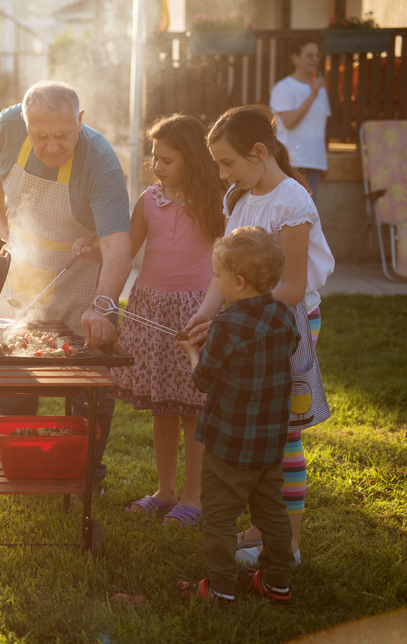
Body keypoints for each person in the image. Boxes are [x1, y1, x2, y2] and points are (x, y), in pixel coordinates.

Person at [188, 104, 334, 567]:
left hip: (287, 325)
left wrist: (234, 321)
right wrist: (204, 315)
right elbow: (225, 272)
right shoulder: (243, 199)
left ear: (258, 151)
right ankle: (260, 528)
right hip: (252, 321)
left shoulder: (292, 202)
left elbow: (290, 288)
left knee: (283, 434)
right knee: (254, 425)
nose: (223, 173)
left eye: (228, 162)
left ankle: (287, 543)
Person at [0, 79, 132, 488]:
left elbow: (119, 243)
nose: (50, 146)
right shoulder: (7, 126)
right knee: (16, 373)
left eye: (62, 136)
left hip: (80, 277)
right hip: (24, 270)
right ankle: (8, 462)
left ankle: (85, 472)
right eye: (39, 135)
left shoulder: (100, 161)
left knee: (87, 381)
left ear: (79, 121)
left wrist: (103, 306)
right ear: (25, 123)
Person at [177, 226, 300, 604]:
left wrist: (191, 351)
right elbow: (291, 345)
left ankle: (219, 588)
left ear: (240, 282)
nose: (215, 281)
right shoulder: (283, 314)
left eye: (218, 276)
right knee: (272, 514)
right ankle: (277, 581)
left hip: (228, 443)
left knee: (218, 516)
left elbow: (203, 381)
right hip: (269, 443)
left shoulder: (227, 325)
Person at [114, 115, 227, 527]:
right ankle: (165, 490)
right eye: (155, 158)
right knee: (162, 404)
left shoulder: (216, 203)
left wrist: (213, 312)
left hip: (194, 313)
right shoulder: (149, 200)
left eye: (168, 160)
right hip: (151, 309)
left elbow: (226, 261)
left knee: (193, 406)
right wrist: (95, 250)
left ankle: (194, 497)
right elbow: (125, 248)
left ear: (193, 160)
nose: (158, 167)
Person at [270, 37, 330, 199]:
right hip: (292, 162)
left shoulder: (320, 89)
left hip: (314, 162)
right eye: (310, 55)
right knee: (291, 211)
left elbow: (319, 128)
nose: (315, 59)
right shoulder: (284, 87)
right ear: (295, 58)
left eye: (317, 55)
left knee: (309, 213)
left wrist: (323, 161)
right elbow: (289, 123)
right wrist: (312, 96)